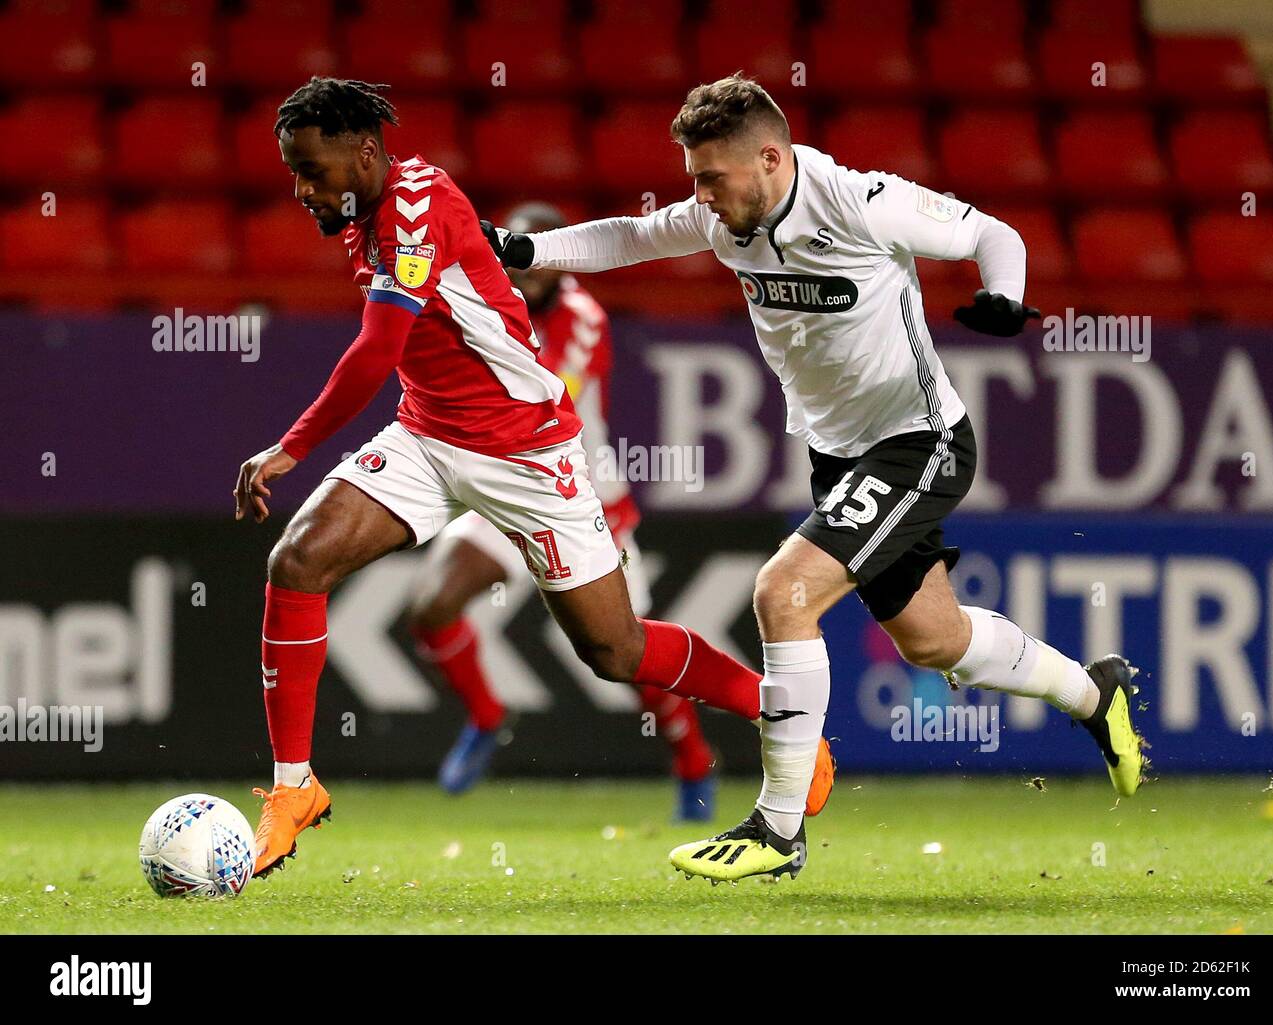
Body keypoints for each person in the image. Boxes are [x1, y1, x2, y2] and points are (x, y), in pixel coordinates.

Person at [481, 74, 1145, 884]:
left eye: (710, 179)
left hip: (919, 437)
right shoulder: (723, 214)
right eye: (694, 178)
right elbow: (629, 236)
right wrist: (527, 249)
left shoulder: (859, 199)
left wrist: (1005, 295)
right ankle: (1093, 690)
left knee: (782, 592)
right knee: (933, 637)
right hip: (838, 454)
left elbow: (993, 234)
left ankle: (779, 823)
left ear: (771, 157)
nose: (700, 197)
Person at [233, 78, 834, 878]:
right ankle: (293, 786)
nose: (301, 189)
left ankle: (778, 710)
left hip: (529, 453)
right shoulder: (364, 211)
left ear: (365, 153)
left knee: (616, 652)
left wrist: (289, 445)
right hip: (429, 434)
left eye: (311, 170)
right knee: (298, 560)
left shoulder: (413, 208)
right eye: (293, 172)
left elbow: (378, 348)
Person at [406, 201, 717, 821]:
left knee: (628, 659)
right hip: (502, 486)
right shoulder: (485, 289)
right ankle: (488, 718)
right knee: (432, 608)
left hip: (580, 497)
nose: (525, 274)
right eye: (518, 257)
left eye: (538, 259)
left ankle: (691, 760)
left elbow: (544, 392)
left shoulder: (582, 317)